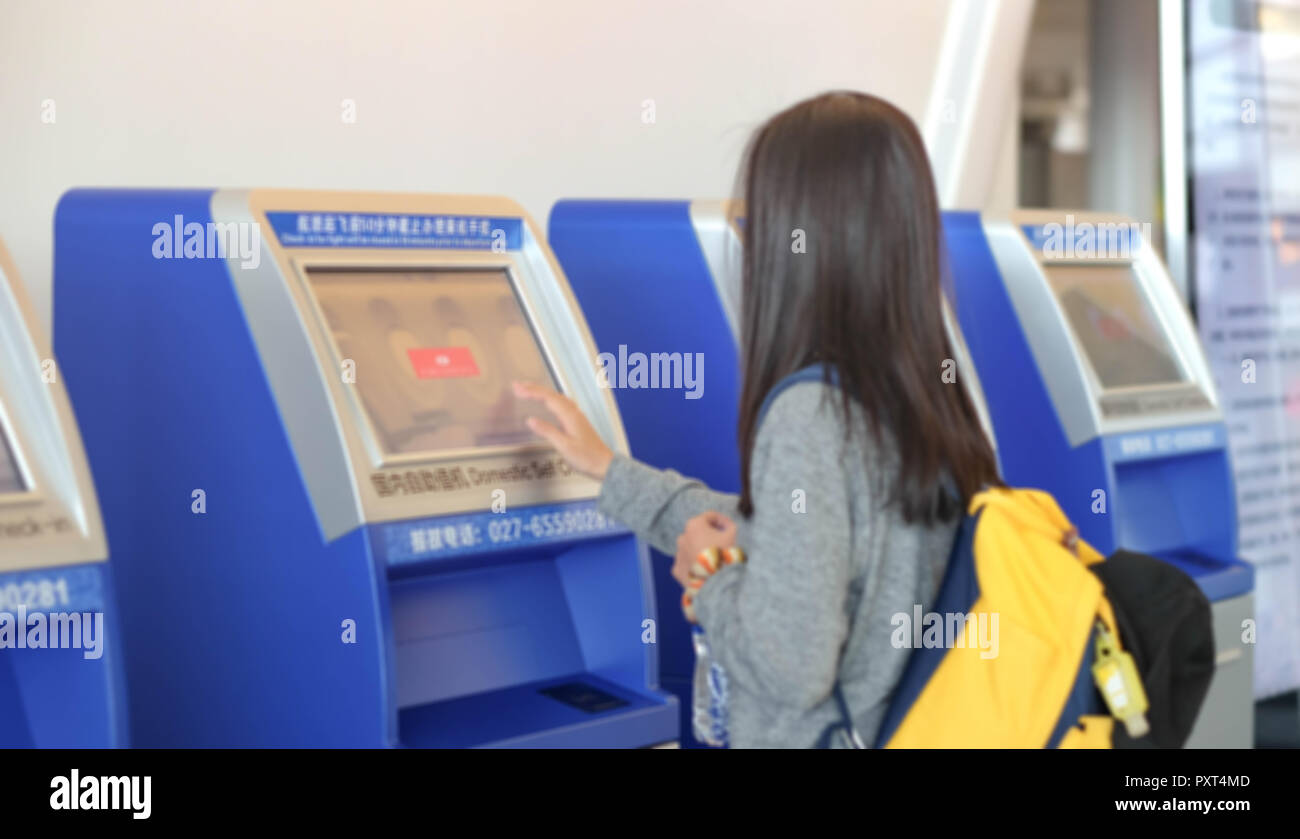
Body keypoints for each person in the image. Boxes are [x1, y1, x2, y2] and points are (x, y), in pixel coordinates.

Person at [514, 90, 1001, 748]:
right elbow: (819, 534)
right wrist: (610, 472)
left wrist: (712, 575)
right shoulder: (924, 393)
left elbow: (790, 663)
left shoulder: (811, 413)